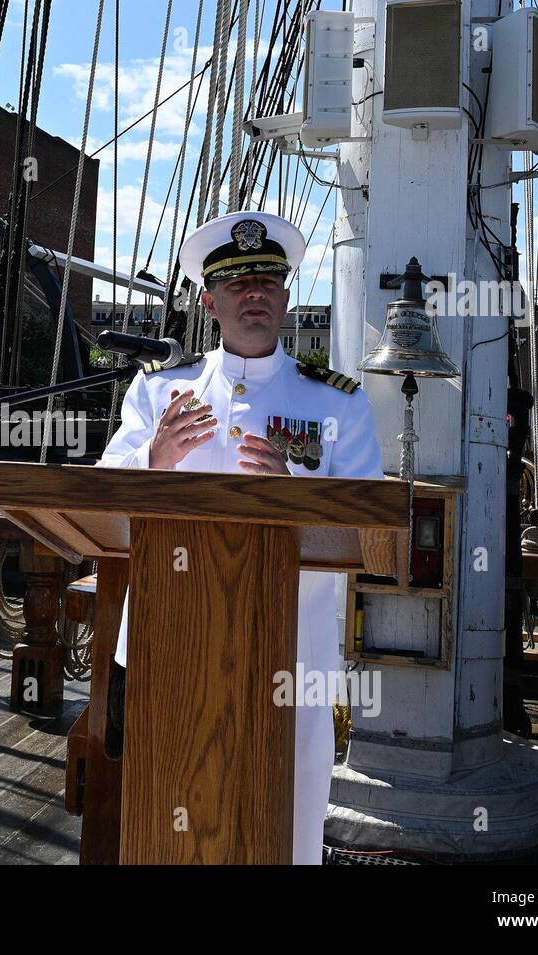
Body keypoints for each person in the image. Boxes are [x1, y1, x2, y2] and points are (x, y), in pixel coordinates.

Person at [97, 210, 384, 865]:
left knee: (288, 826)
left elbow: (370, 529)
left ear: (285, 296)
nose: (253, 292)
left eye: (266, 281)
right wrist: (154, 462)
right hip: (174, 644)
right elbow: (102, 500)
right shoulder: (158, 395)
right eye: (236, 283)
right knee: (168, 827)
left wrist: (294, 494)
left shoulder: (336, 404)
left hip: (295, 655)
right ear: (209, 300)